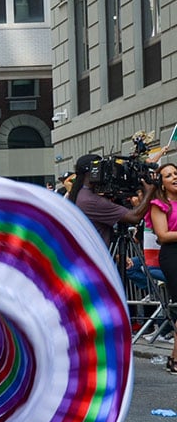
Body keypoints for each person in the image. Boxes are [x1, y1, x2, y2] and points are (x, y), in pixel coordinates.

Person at [66, 154, 156, 246]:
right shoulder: (91, 200)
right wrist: (149, 192)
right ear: (91, 172)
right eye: (103, 168)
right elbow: (135, 217)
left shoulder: (78, 194)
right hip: (97, 252)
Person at [147, 163, 177, 372]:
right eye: (168, 175)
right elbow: (163, 235)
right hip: (172, 255)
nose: (174, 177)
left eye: (176, 173)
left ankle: (174, 359)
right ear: (162, 183)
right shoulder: (159, 204)